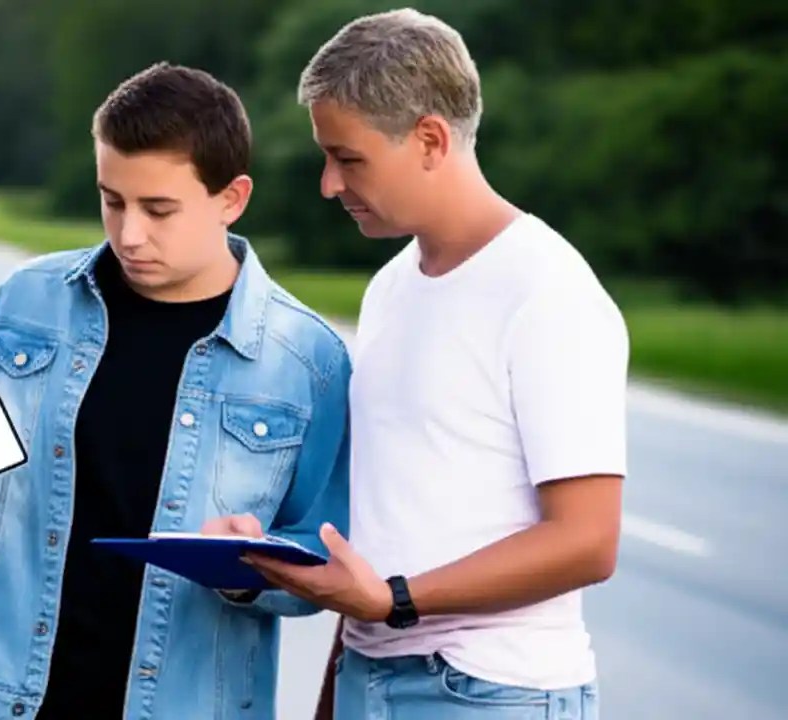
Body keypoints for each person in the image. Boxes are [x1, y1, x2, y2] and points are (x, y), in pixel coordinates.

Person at [0, 62, 352, 720]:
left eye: (159, 210)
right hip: (20, 700)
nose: (129, 234)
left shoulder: (309, 361)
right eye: (112, 200)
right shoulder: (29, 301)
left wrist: (249, 568)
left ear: (232, 198)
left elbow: (326, 563)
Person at [230, 8, 628, 720]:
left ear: (430, 140)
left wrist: (395, 600)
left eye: (348, 158)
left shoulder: (548, 292)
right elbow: (387, 530)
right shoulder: (390, 287)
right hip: (370, 680)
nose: (328, 183)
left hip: (490, 694)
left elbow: (587, 541)